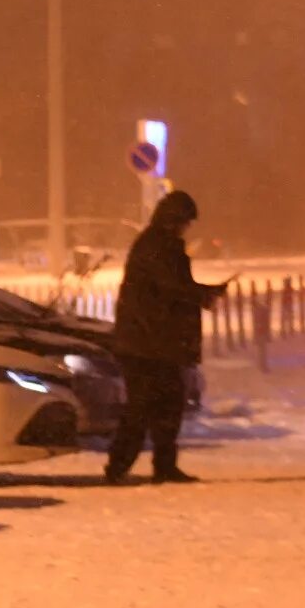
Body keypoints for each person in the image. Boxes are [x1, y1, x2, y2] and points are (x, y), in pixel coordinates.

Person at [105, 189, 224, 484]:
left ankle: (162, 465)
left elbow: (173, 287)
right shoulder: (158, 246)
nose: (187, 228)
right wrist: (204, 294)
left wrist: (202, 293)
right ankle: (119, 467)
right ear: (175, 219)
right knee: (143, 407)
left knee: (167, 405)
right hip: (148, 343)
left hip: (156, 341)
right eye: (185, 222)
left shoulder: (159, 244)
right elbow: (171, 288)